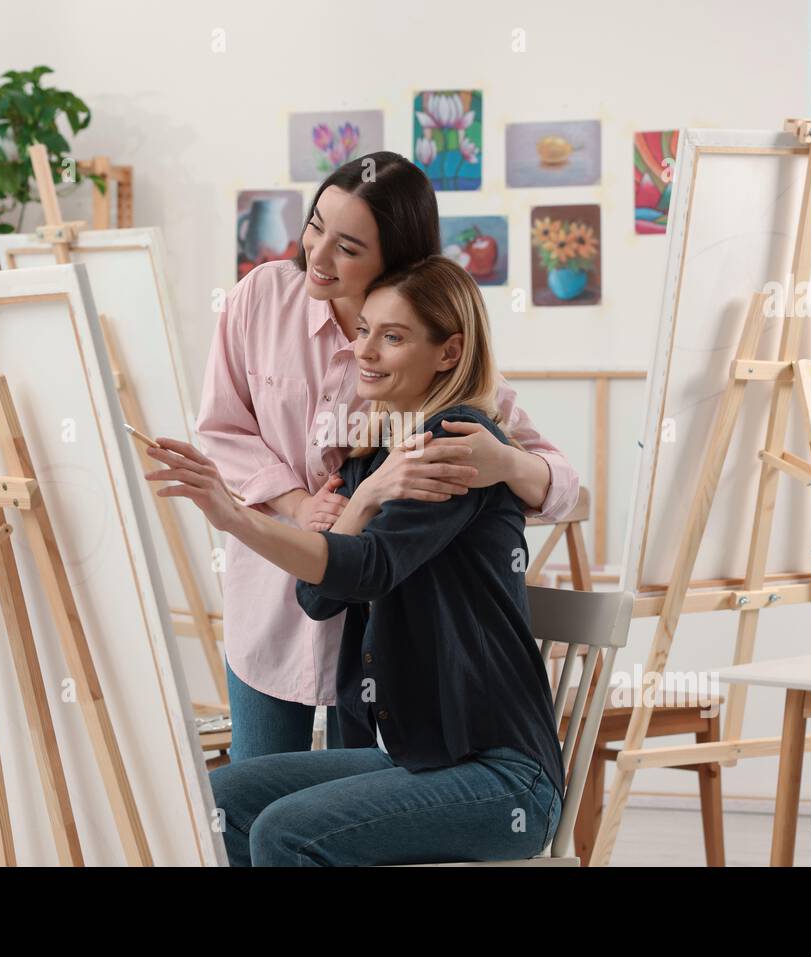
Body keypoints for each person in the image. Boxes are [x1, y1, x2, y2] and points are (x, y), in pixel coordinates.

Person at [149, 257, 563, 866]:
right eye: (363, 330)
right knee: (218, 802)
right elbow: (319, 598)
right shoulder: (374, 459)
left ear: (448, 352)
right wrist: (364, 495)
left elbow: (365, 567)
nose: (364, 350)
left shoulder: (454, 445)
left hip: (501, 776)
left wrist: (237, 517)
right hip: (416, 757)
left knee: (283, 833)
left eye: (392, 337)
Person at [196, 151, 579, 761]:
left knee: (348, 810)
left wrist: (506, 464)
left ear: (394, 257)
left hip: (379, 630)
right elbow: (220, 428)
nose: (318, 256)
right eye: (316, 225)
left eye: (348, 248)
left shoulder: (426, 332)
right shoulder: (261, 298)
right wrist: (298, 505)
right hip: (272, 598)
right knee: (252, 798)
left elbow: (560, 482)